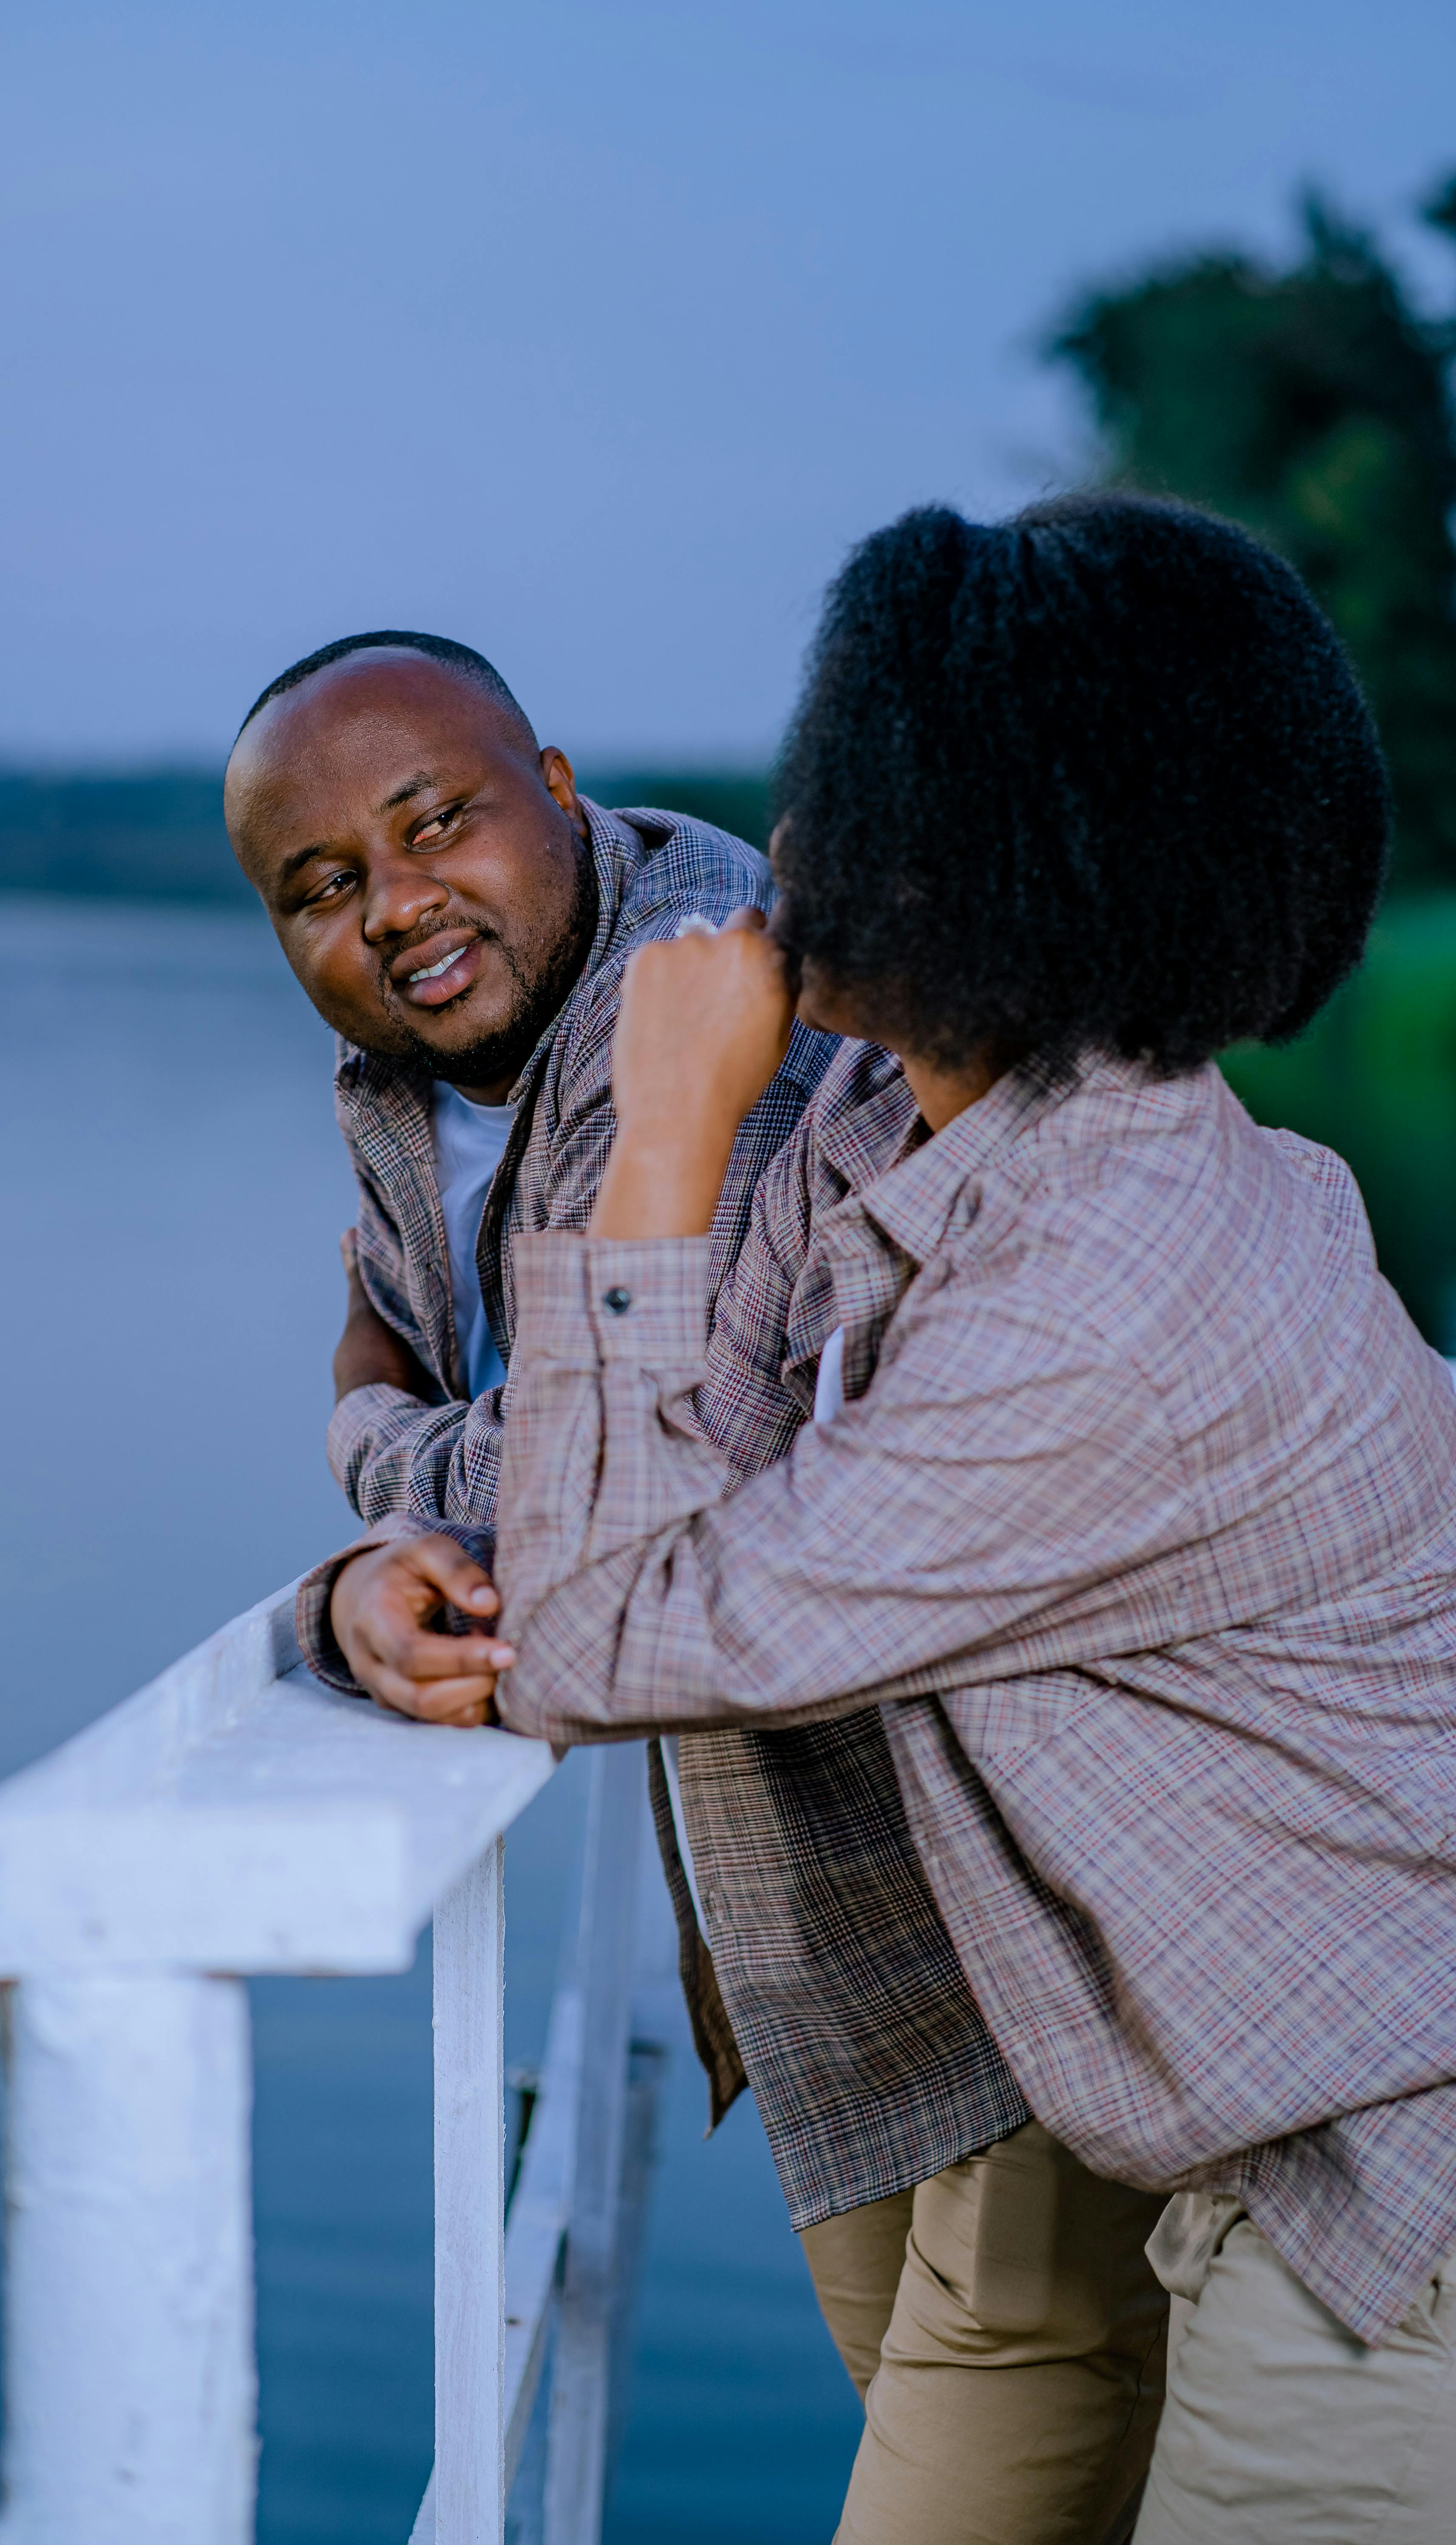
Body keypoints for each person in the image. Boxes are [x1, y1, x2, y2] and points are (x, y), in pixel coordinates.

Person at [405, 492, 1456, 2542]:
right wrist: (389, 1542)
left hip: (1385, 2215)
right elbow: (627, 1483)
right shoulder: (956, 1148)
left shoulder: (1106, 1290)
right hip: (1284, 2162)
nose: (787, 840)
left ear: (973, 857)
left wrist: (674, 1129)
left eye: (849, 780)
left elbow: (611, 1638)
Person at [268, 635, 1171, 2542]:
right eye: (324, 884)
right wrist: (382, 1523)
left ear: (563, 786)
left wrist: (363, 1468)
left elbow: (592, 1495)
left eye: (436, 826)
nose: (397, 905)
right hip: (841, 1955)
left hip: (1029, 1926)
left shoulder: (716, 1013)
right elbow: (487, 1399)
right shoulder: (431, 1071)